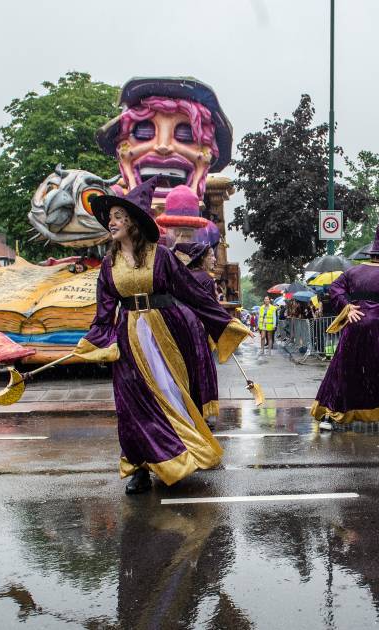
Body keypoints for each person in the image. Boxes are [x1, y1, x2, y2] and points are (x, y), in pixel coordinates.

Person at [75, 178, 249, 495]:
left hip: (166, 333)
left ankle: (176, 456)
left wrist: (224, 324)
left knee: (170, 394)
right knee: (130, 403)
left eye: (117, 217)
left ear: (134, 223)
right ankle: (139, 468)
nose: (111, 222)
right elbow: (104, 310)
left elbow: (193, 294)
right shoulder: (108, 263)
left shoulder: (162, 256)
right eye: (110, 218)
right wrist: (96, 342)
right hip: (129, 336)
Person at [311, 212, 379, 432]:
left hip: (354, 324)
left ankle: (331, 415)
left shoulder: (353, 271)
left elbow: (334, 288)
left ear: (371, 254)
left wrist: (347, 307)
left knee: (344, 368)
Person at [173, 241, 224, 426]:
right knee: (203, 370)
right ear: (201, 258)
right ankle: (204, 412)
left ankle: (187, 411)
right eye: (211, 255)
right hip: (197, 328)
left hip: (179, 325)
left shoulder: (184, 276)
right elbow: (211, 309)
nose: (214, 259)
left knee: (186, 370)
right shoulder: (206, 279)